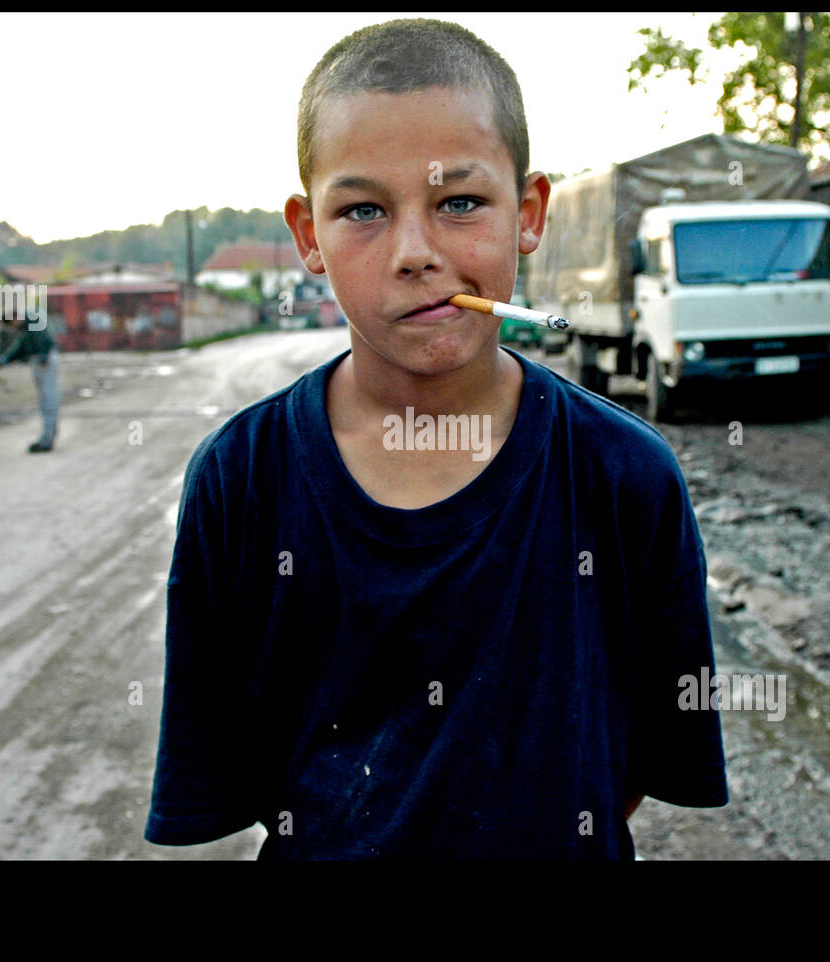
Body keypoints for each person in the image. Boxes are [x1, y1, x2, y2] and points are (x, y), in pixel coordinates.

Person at [144, 18, 727, 860]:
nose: (415, 253)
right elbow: (235, 770)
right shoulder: (241, 482)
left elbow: (623, 772)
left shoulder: (626, 475)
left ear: (528, 213)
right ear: (308, 235)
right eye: (363, 211)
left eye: (459, 202)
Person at [0, 310, 59, 453]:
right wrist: (1, 362)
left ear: (14, 319)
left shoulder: (31, 321)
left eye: (12, 325)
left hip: (45, 363)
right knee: (46, 401)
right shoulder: (27, 325)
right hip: (43, 361)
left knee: (48, 401)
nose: (14, 329)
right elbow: (19, 348)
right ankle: (48, 438)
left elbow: (42, 339)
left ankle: (47, 441)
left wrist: (43, 357)